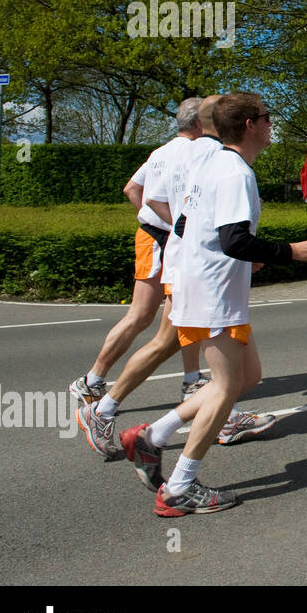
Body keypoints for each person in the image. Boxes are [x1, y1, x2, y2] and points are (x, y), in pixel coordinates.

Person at [126, 93, 307, 515]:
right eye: (268, 117)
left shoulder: (209, 161)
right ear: (250, 124)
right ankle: (179, 486)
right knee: (227, 386)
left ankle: (152, 436)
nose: (273, 124)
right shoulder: (233, 171)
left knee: (247, 375)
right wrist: (291, 251)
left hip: (204, 283)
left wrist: (198, 252)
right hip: (212, 291)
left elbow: (181, 221)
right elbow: (235, 240)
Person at [68, 105, 205, 406]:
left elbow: (132, 188)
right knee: (168, 312)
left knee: (152, 314)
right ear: (198, 123)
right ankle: (191, 381)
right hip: (164, 240)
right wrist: (176, 229)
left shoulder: (160, 152)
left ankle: (94, 381)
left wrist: (154, 222)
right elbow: (153, 199)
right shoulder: (191, 153)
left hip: (154, 236)